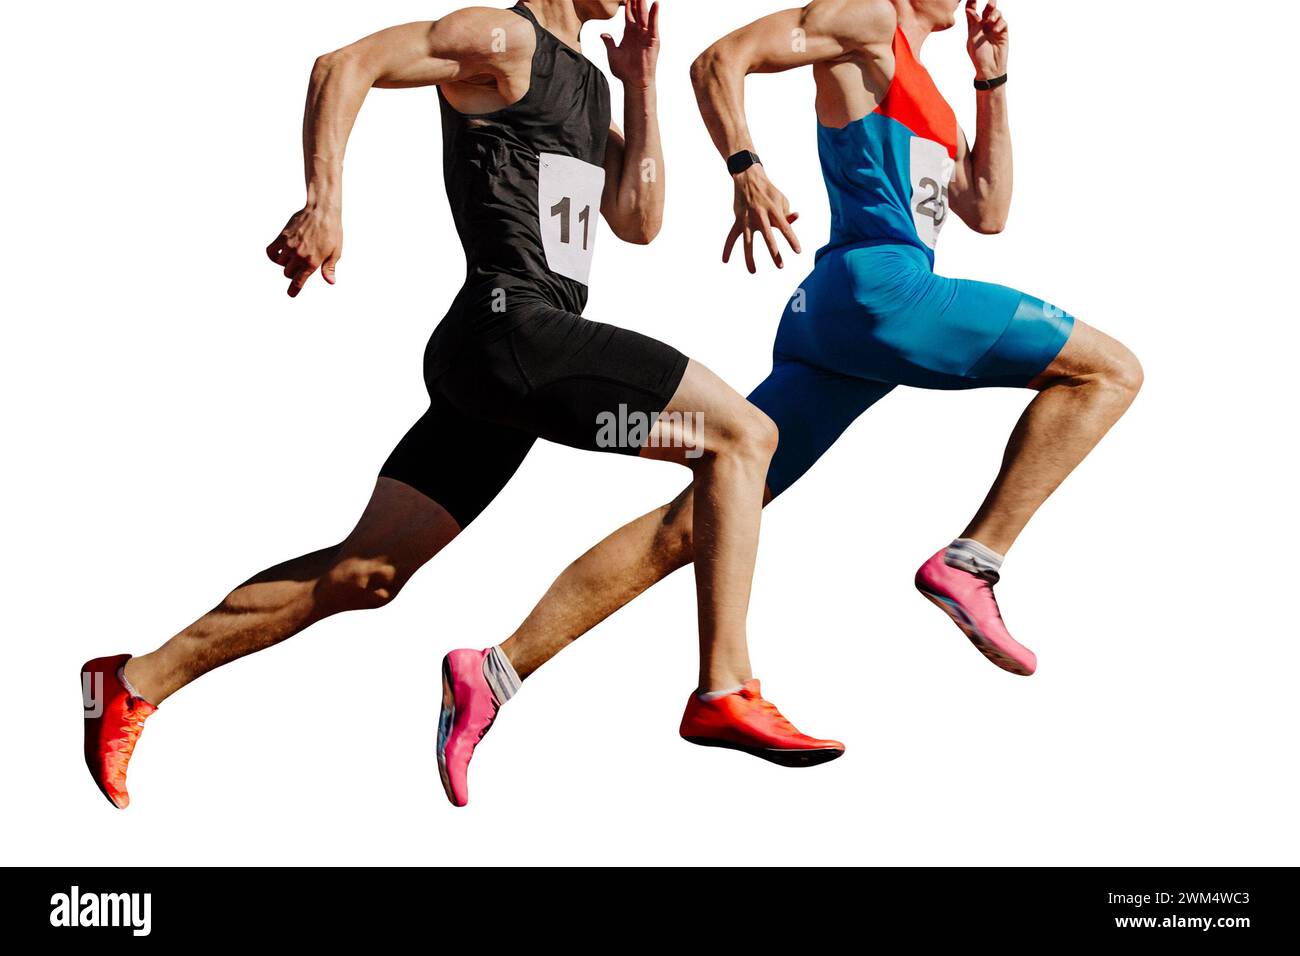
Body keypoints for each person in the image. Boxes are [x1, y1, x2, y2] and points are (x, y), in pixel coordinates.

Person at [82, 0, 844, 812]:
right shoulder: (502, 38)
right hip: (510, 333)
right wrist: (327, 201)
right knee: (740, 437)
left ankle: (129, 683)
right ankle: (723, 686)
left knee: (366, 573)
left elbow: (639, 219)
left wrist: (641, 84)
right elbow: (344, 64)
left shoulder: (587, 85)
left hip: (505, 379)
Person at [439, 0, 1142, 790]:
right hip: (883, 294)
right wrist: (747, 170)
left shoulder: (926, 77)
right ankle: (970, 563)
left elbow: (988, 208)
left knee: (696, 523)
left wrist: (992, 80)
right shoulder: (866, 19)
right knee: (1110, 371)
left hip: (838, 326)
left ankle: (494, 671)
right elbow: (718, 62)